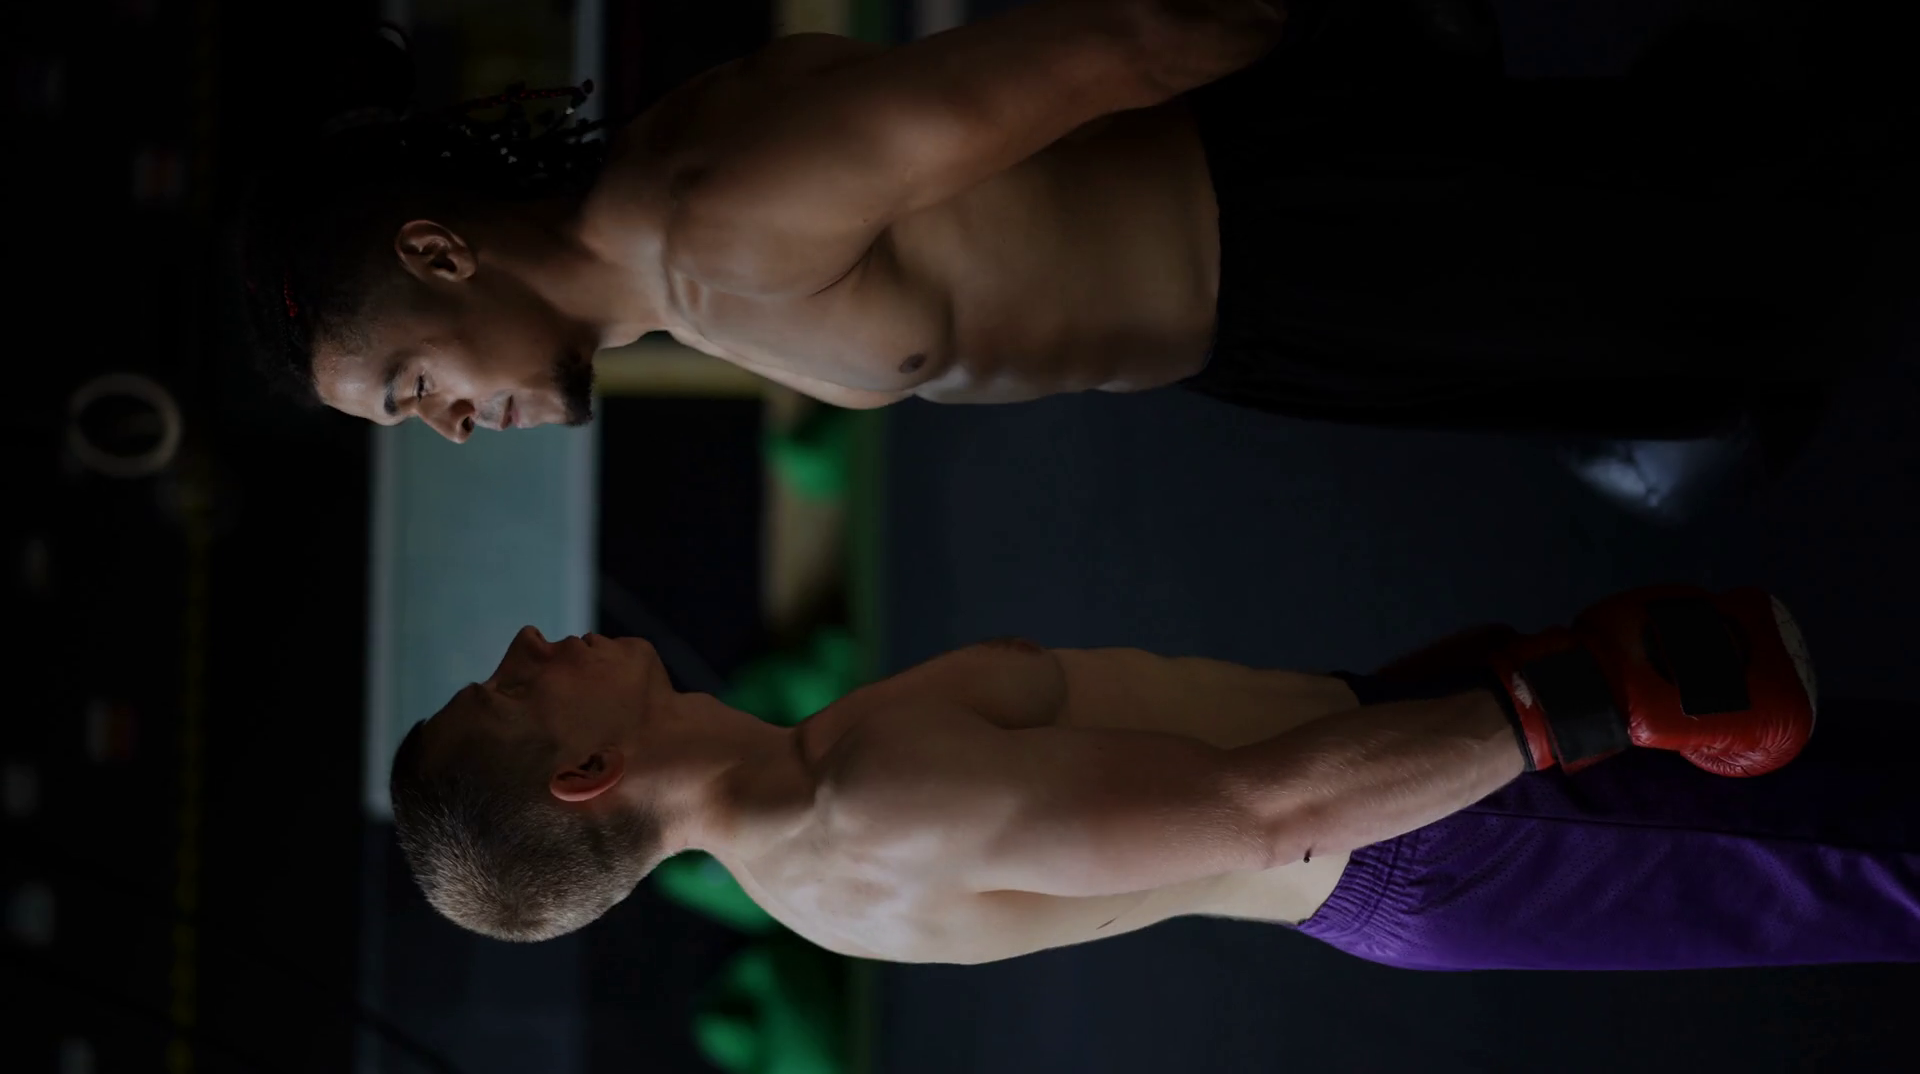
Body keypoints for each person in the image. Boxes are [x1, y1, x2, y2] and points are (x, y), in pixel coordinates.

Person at [239, 0, 1917, 443]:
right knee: (1732, 328)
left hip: (1323, 232)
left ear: (438, 255)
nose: (450, 427)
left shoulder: (721, 215)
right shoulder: (680, 282)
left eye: (413, 390)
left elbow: (1128, 38)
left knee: (1805, 259)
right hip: (1274, 333)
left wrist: (1362, 57)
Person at [389, 585, 1920, 971]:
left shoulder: (816, 805)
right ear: (589, 775)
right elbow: (1271, 816)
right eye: (513, 685)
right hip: (1438, 823)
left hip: (1403, 761)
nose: (530, 638)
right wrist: (1575, 702)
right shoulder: (857, 810)